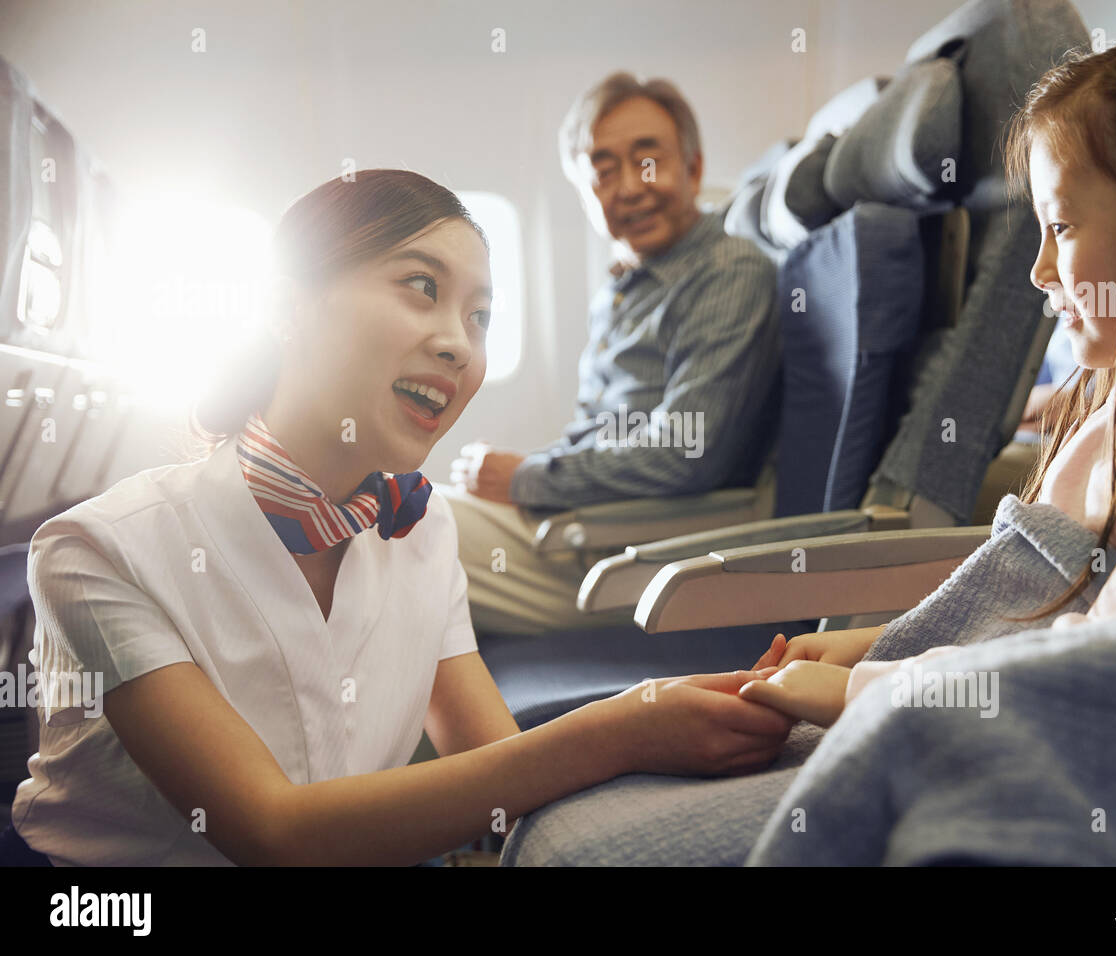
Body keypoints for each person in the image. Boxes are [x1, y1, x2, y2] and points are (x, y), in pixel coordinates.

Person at [0, 169, 794, 867]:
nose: (459, 343)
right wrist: (618, 731)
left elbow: (496, 763)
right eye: (422, 286)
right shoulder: (100, 550)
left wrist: (686, 715)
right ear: (288, 307)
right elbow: (274, 835)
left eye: (480, 316)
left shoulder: (425, 528)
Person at [733, 21, 1116, 728]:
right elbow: (1015, 616)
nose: (1039, 271)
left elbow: (1098, 673)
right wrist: (869, 647)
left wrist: (859, 690)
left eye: (1060, 228)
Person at [443, 72, 781, 634]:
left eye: (648, 161)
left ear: (693, 169)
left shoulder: (727, 273)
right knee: (406, 509)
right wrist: (520, 473)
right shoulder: (625, 287)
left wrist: (527, 477)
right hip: (589, 527)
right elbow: (605, 433)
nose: (628, 187)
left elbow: (684, 450)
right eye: (603, 172)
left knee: (397, 530)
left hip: (642, 557)